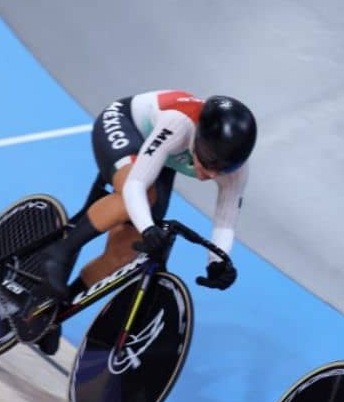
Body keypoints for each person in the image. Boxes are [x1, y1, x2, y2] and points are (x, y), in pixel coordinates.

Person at [15, 90, 256, 353]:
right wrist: (148, 227)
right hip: (125, 125)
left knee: (128, 253)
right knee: (145, 198)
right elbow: (136, 185)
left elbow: (225, 222)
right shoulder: (178, 124)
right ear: (198, 134)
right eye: (209, 161)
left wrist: (217, 261)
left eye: (223, 169)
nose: (211, 174)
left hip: (161, 156)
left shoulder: (236, 169)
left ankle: (53, 312)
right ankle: (58, 253)